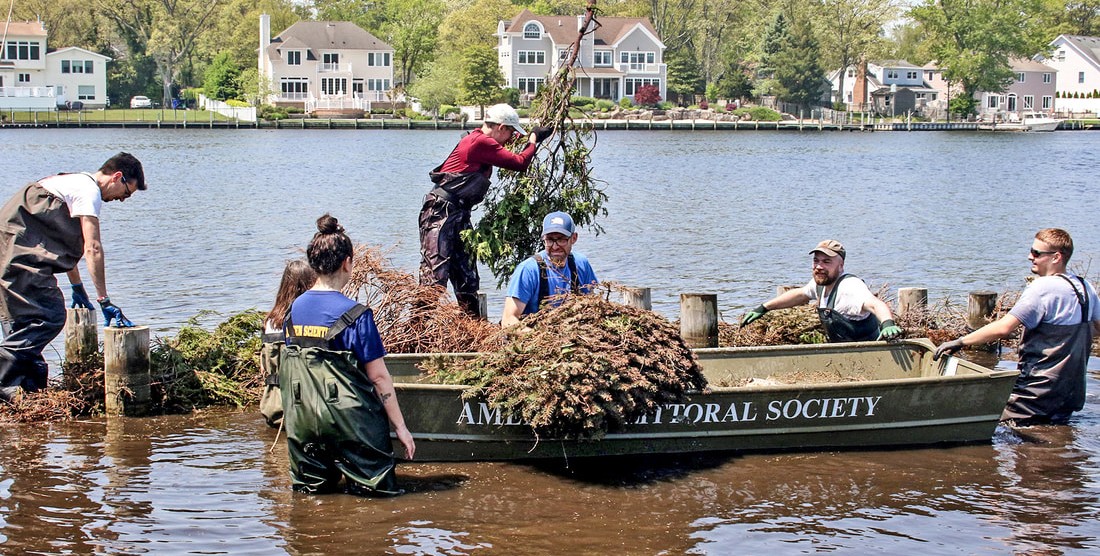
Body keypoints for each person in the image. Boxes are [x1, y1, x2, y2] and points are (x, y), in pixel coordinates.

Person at [280, 214, 415, 496]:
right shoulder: (356, 315)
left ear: (314, 264)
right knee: (376, 496)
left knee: (310, 496)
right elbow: (379, 378)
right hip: (351, 423)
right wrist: (400, 427)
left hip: (302, 420)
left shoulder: (292, 311)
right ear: (347, 262)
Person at [0, 152, 145, 401]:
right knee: (50, 316)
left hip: (10, 253)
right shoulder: (88, 192)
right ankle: (4, 382)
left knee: (22, 325)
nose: (122, 199)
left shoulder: (69, 183)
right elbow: (93, 248)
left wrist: (77, 287)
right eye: (126, 192)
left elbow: (57, 244)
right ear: (117, 177)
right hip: (18, 257)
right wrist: (104, 300)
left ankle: (27, 394)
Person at [934, 229, 1100, 425]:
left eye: (1037, 253)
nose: (1030, 257)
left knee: (994, 429)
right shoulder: (1085, 287)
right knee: (1054, 437)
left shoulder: (1042, 288)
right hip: (1071, 394)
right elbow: (1097, 328)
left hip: (1035, 393)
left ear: (1056, 257)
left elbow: (1003, 328)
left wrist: (960, 342)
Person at [419, 103, 553, 316]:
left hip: (458, 214)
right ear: (500, 127)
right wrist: (533, 140)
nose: (511, 139)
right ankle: (419, 331)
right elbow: (520, 163)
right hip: (439, 213)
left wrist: (532, 135)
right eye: (510, 132)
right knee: (435, 276)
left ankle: (473, 330)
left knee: (468, 279)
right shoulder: (479, 142)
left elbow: (507, 144)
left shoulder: (483, 139)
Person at [740, 240, 903, 342]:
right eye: (816, 260)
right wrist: (764, 307)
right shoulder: (820, 283)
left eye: (826, 261)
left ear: (841, 266)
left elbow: (876, 305)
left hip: (869, 351)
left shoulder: (850, 287)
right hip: (843, 351)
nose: (819, 266)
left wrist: (888, 323)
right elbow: (800, 294)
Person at [501, 211, 598, 328]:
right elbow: (508, 320)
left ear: (574, 238)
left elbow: (593, 306)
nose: (555, 246)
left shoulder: (581, 264)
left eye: (562, 239)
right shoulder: (529, 270)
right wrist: (538, 338)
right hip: (534, 337)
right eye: (550, 240)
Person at [259, 259, 316, 428]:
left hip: (273, 406)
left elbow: (264, 368)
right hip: (302, 409)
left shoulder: (269, 321)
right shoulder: (307, 319)